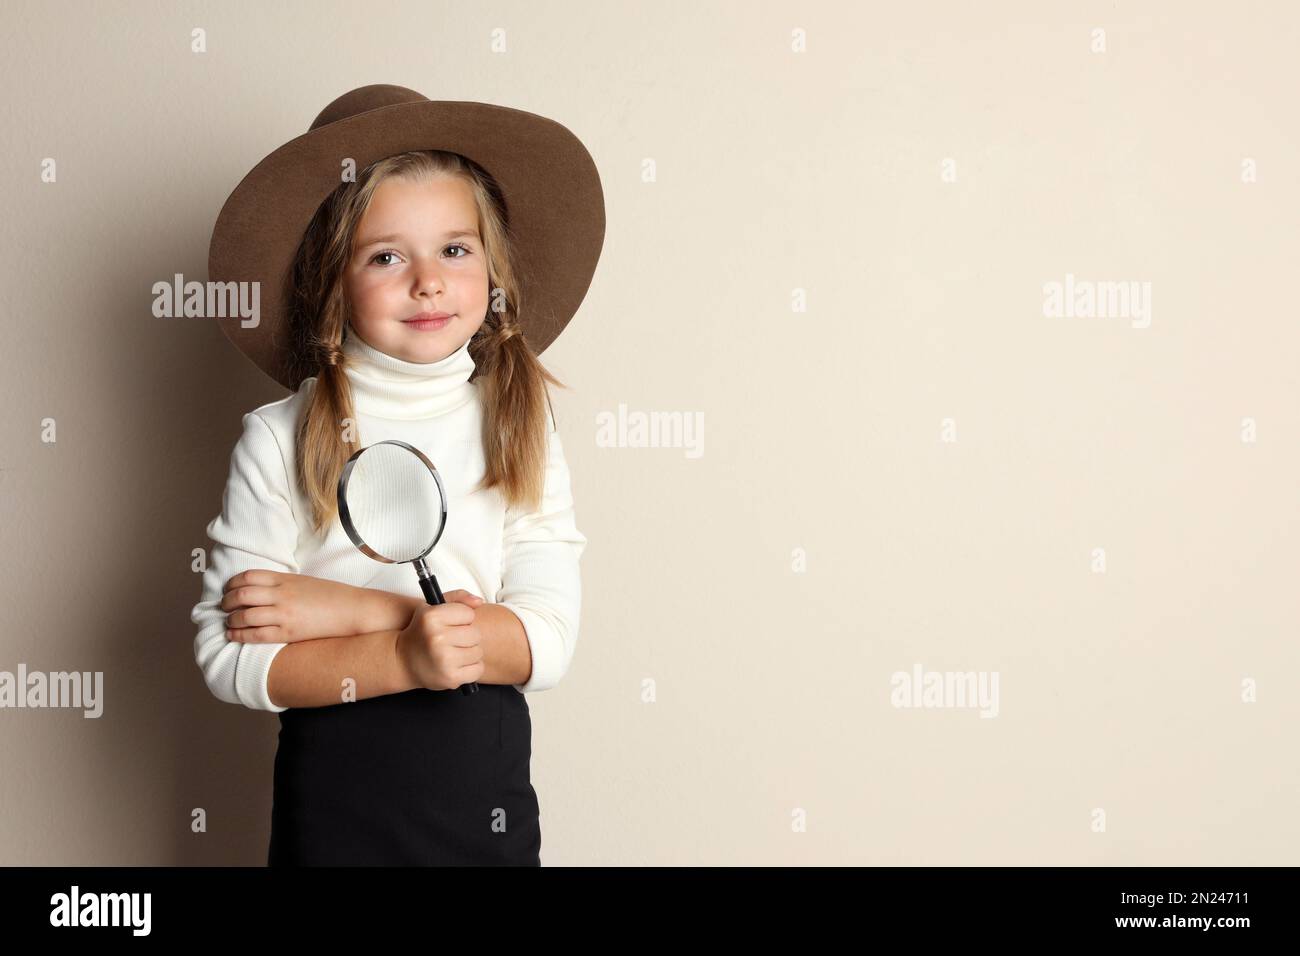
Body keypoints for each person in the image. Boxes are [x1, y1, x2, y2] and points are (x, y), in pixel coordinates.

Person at [190, 85, 605, 865]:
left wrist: (337, 608)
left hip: (481, 805)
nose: (427, 280)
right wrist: (406, 648)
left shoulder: (519, 423)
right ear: (330, 283)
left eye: (455, 248)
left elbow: (546, 642)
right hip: (336, 813)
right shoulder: (279, 438)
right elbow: (229, 654)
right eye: (386, 256)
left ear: (495, 273)